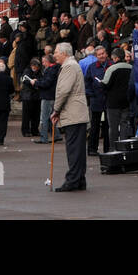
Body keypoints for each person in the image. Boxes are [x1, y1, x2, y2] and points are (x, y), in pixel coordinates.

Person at [51, 42, 89, 192]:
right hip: (76, 112)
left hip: (73, 113)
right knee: (77, 149)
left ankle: (73, 180)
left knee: (73, 149)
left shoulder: (69, 66)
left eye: (56, 52)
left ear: (64, 53)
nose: (54, 55)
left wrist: (56, 109)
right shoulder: (73, 65)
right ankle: (79, 179)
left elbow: (63, 91)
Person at [102, 49, 133, 149]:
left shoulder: (111, 69)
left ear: (115, 58)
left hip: (113, 103)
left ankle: (113, 149)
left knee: (113, 127)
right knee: (124, 125)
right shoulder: (131, 68)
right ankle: (123, 148)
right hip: (127, 101)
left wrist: (100, 83)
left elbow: (105, 84)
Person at [83, 45, 110, 155]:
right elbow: (87, 83)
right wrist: (92, 95)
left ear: (106, 54)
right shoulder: (92, 67)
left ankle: (107, 149)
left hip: (108, 101)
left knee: (107, 126)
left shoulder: (111, 65)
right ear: (96, 56)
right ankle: (92, 149)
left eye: (103, 53)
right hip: (96, 100)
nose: (102, 56)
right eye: (99, 54)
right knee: (94, 126)